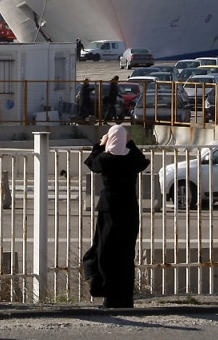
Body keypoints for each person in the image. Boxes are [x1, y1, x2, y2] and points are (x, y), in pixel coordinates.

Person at [83, 124, 150, 308]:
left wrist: (100, 143)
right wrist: (131, 143)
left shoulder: (105, 159)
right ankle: (126, 298)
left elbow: (90, 162)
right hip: (129, 212)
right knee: (126, 255)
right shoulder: (132, 161)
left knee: (106, 252)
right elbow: (143, 161)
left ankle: (110, 296)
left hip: (109, 211)